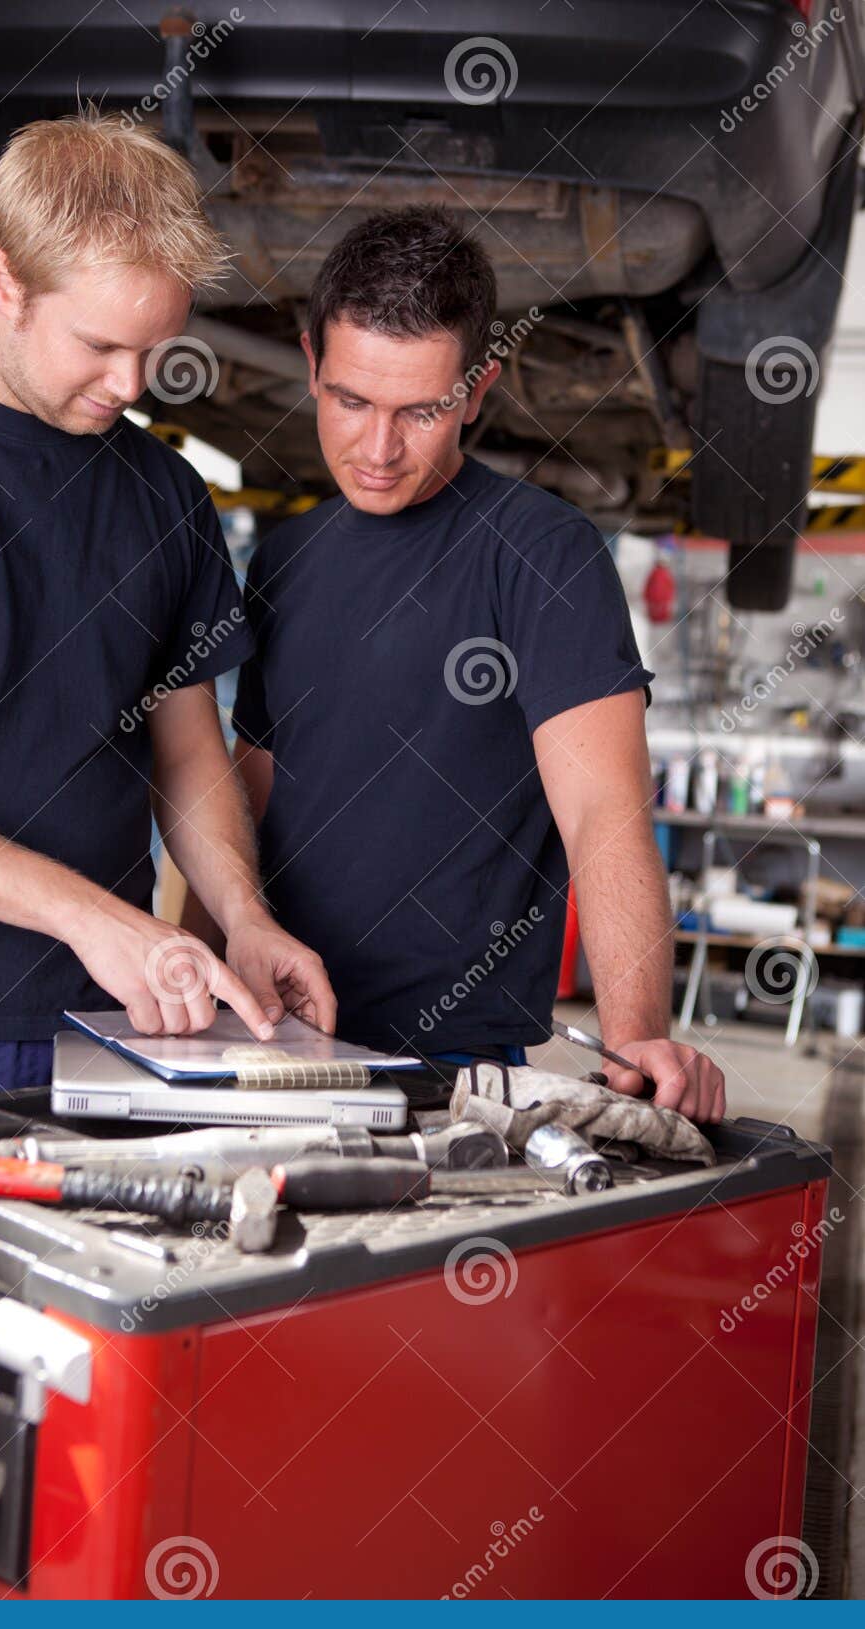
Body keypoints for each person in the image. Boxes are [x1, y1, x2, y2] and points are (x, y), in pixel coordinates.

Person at [0, 113, 334, 1111]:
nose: (131, 384)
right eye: (99, 343)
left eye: (154, 347)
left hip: (97, 1026)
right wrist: (89, 916)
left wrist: (241, 915)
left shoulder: (165, 500)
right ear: (4, 281)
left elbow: (184, 753)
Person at [189, 207, 725, 1122]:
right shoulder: (285, 559)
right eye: (351, 400)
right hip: (268, 1033)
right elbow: (251, 791)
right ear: (312, 361)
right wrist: (192, 981)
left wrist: (636, 1036)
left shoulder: (542, 554)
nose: (378, 449)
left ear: (477, 390)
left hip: (448, 1066)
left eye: (420, 410)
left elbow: (603, 813)